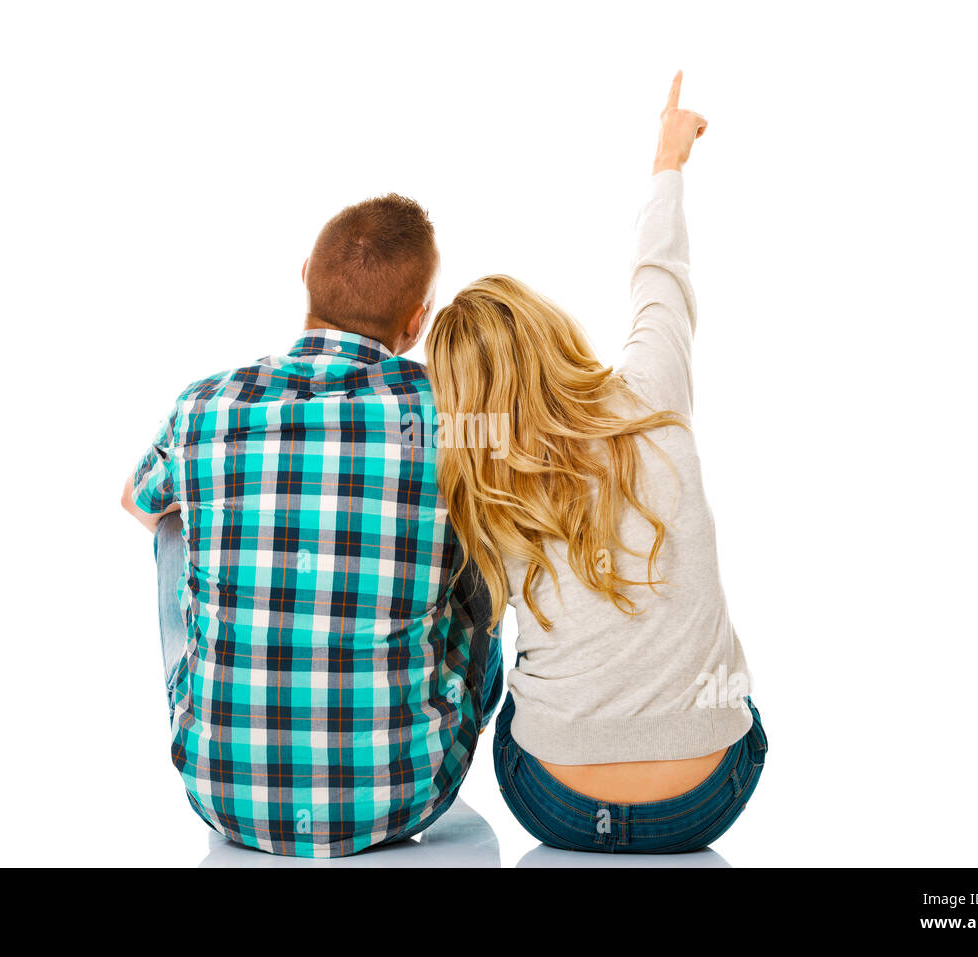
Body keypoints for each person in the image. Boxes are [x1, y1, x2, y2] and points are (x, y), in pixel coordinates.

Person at [425, 71, 766, 853]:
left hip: (557, 804)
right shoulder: (653, 389)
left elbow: (471, 641)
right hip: (707, 797)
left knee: (487, 639)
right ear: (552, 331)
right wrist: (668, 156)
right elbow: (661, 277)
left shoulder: (475, 482)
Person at [121, 194, 502, 858]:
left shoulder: (206, 403)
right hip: (406, 795)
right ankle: (414, 717)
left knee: (173, 522)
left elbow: (136, 500)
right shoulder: (447, 413)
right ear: (417, 322)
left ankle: (225, 714)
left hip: (221, 794)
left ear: (305, 275)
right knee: (480, 525)